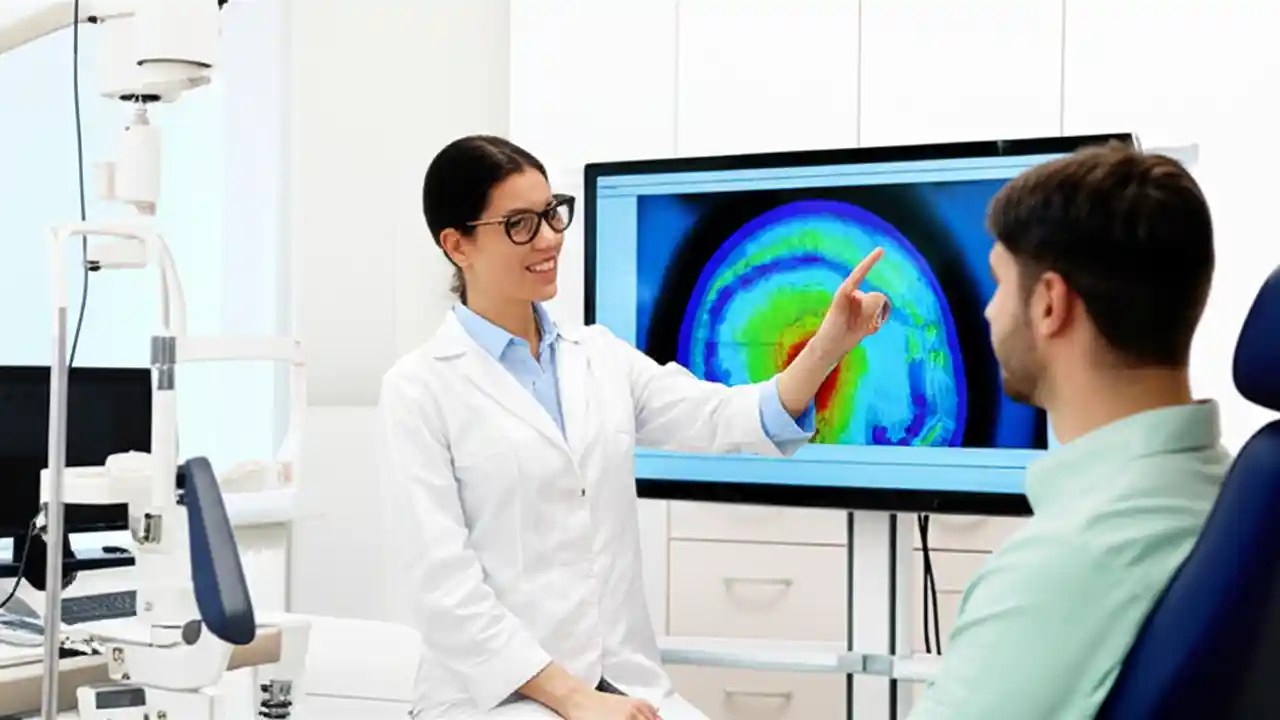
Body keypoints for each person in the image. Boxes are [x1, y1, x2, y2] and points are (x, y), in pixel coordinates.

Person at [378, 134, 891, 720]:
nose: (549, 238)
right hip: (494, 699)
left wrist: (828, 347)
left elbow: (726, 417)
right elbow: (444, 593)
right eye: (520, 223)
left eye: (551, 213)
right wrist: (576, 701)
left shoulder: (596, 355)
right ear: (457, 244)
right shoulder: (419, 389)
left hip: (622, 685)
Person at [908, 142, 1228, 719]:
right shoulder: (1231, 502)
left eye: (999, 284)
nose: (988, 311)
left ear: (1051, 304)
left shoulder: (1067, 567)